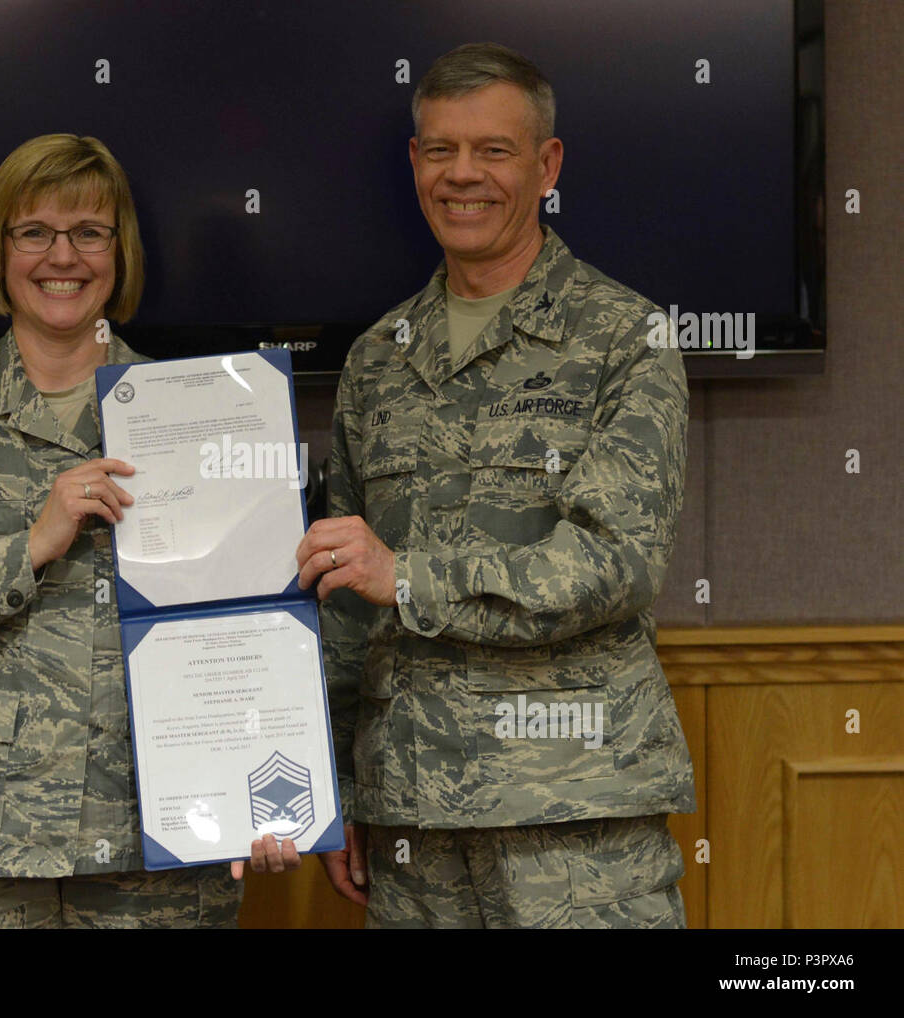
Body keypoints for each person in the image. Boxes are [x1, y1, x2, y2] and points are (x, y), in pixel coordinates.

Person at [0, 134, 284, 928]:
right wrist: (28, 547)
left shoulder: (207, 413)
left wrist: (264, 783)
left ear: (121, 251)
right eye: (33, 231)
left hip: (159, 842)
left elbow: (247, 632)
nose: (61, 256)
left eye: (89, 232)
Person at [291, 43, 696, 927]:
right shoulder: (376, 360)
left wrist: (412, 577)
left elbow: (614, 561)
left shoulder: (628, 338)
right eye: (440, 150)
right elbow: (346, 606)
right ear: (414, 162)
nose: (462, 175)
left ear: (547, 164)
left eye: (493, 150)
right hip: (412, 818)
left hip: (571, 813)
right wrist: (339, 789)